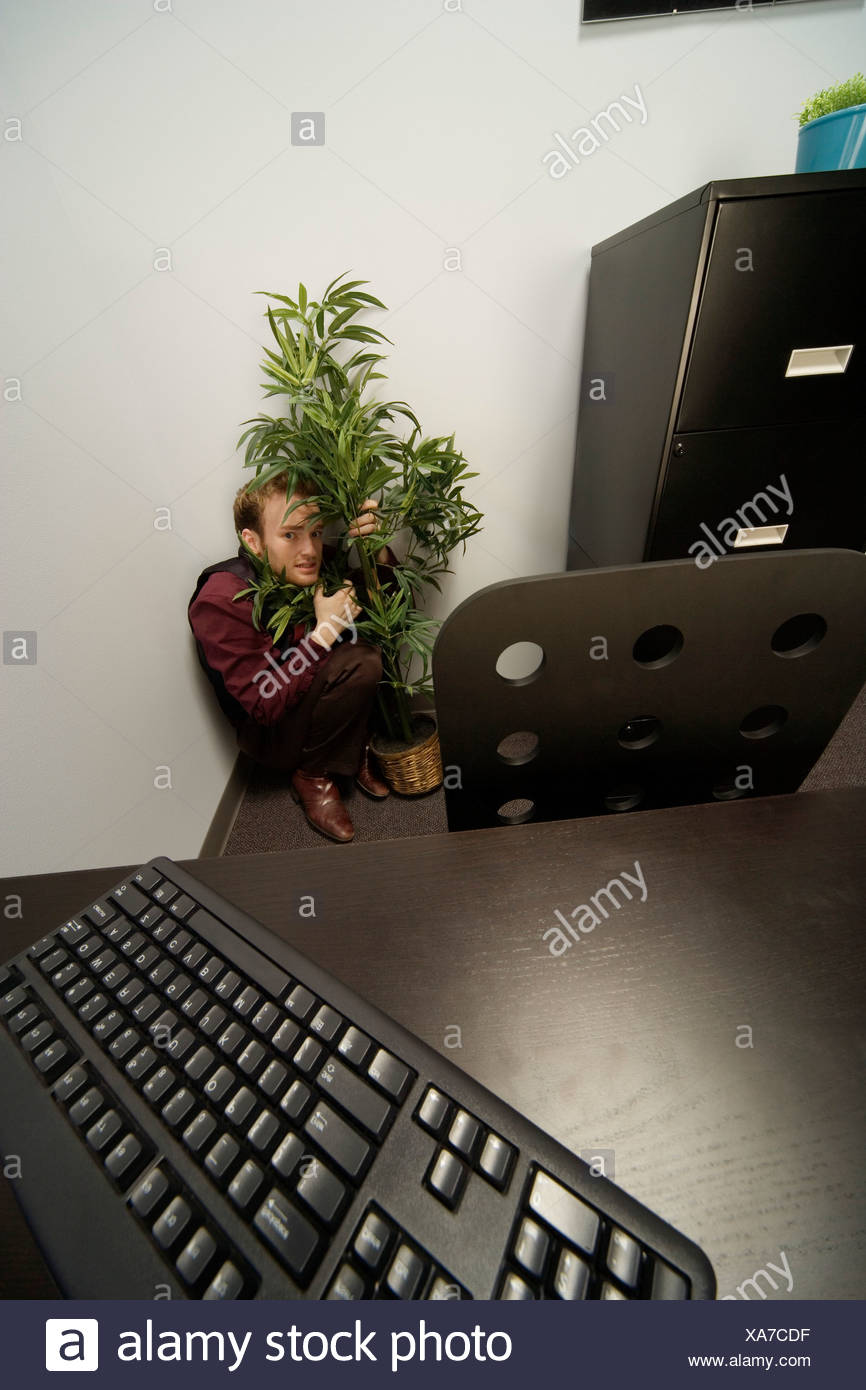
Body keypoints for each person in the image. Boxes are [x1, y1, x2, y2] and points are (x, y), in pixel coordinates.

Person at [188, 475, 397, 844]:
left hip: (306, 701)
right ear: (252, 541)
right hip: (272, 735)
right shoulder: (221, 600)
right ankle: (312, 776)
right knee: (358, 658)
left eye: (316, 533)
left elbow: (391, 608)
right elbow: (263, 704)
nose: (310, 549)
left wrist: (376, 548)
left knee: (361, 623)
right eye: (290, 535)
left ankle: (354, 746)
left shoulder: (309, 564)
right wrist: (325, 632)